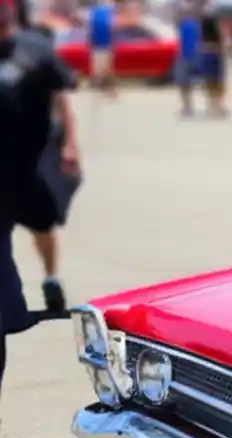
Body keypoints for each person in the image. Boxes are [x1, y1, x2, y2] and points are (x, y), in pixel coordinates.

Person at [1, 0, 80, 393]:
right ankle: (10, 305)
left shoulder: (35, 49)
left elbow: (61, 97)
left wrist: (70, 144)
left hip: (30, 161)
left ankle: (51, 277)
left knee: (42, 226)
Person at [199, 4, 228, 117]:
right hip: (216, 52)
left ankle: (211, 106)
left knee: (209, 80)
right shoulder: (217, 24)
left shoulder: (202, 26)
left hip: (206, 52)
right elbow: (222, 38)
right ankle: (218, 106)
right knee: (218, 80)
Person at [175, 2, 201, 116]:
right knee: (184, 83)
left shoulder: (196, 26)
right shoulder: (184, 25)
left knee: (187, 83)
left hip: (193, 56)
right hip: (184, 56)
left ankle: (188, 106)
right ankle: (187, 106)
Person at [87, 0, 115, 96]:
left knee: (102, 65)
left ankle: (103, 84)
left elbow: (91, 29)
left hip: (100, 45)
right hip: (102, 45)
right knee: (103, 65)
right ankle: (104, 84)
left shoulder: (96, 12)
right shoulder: (106, 12)